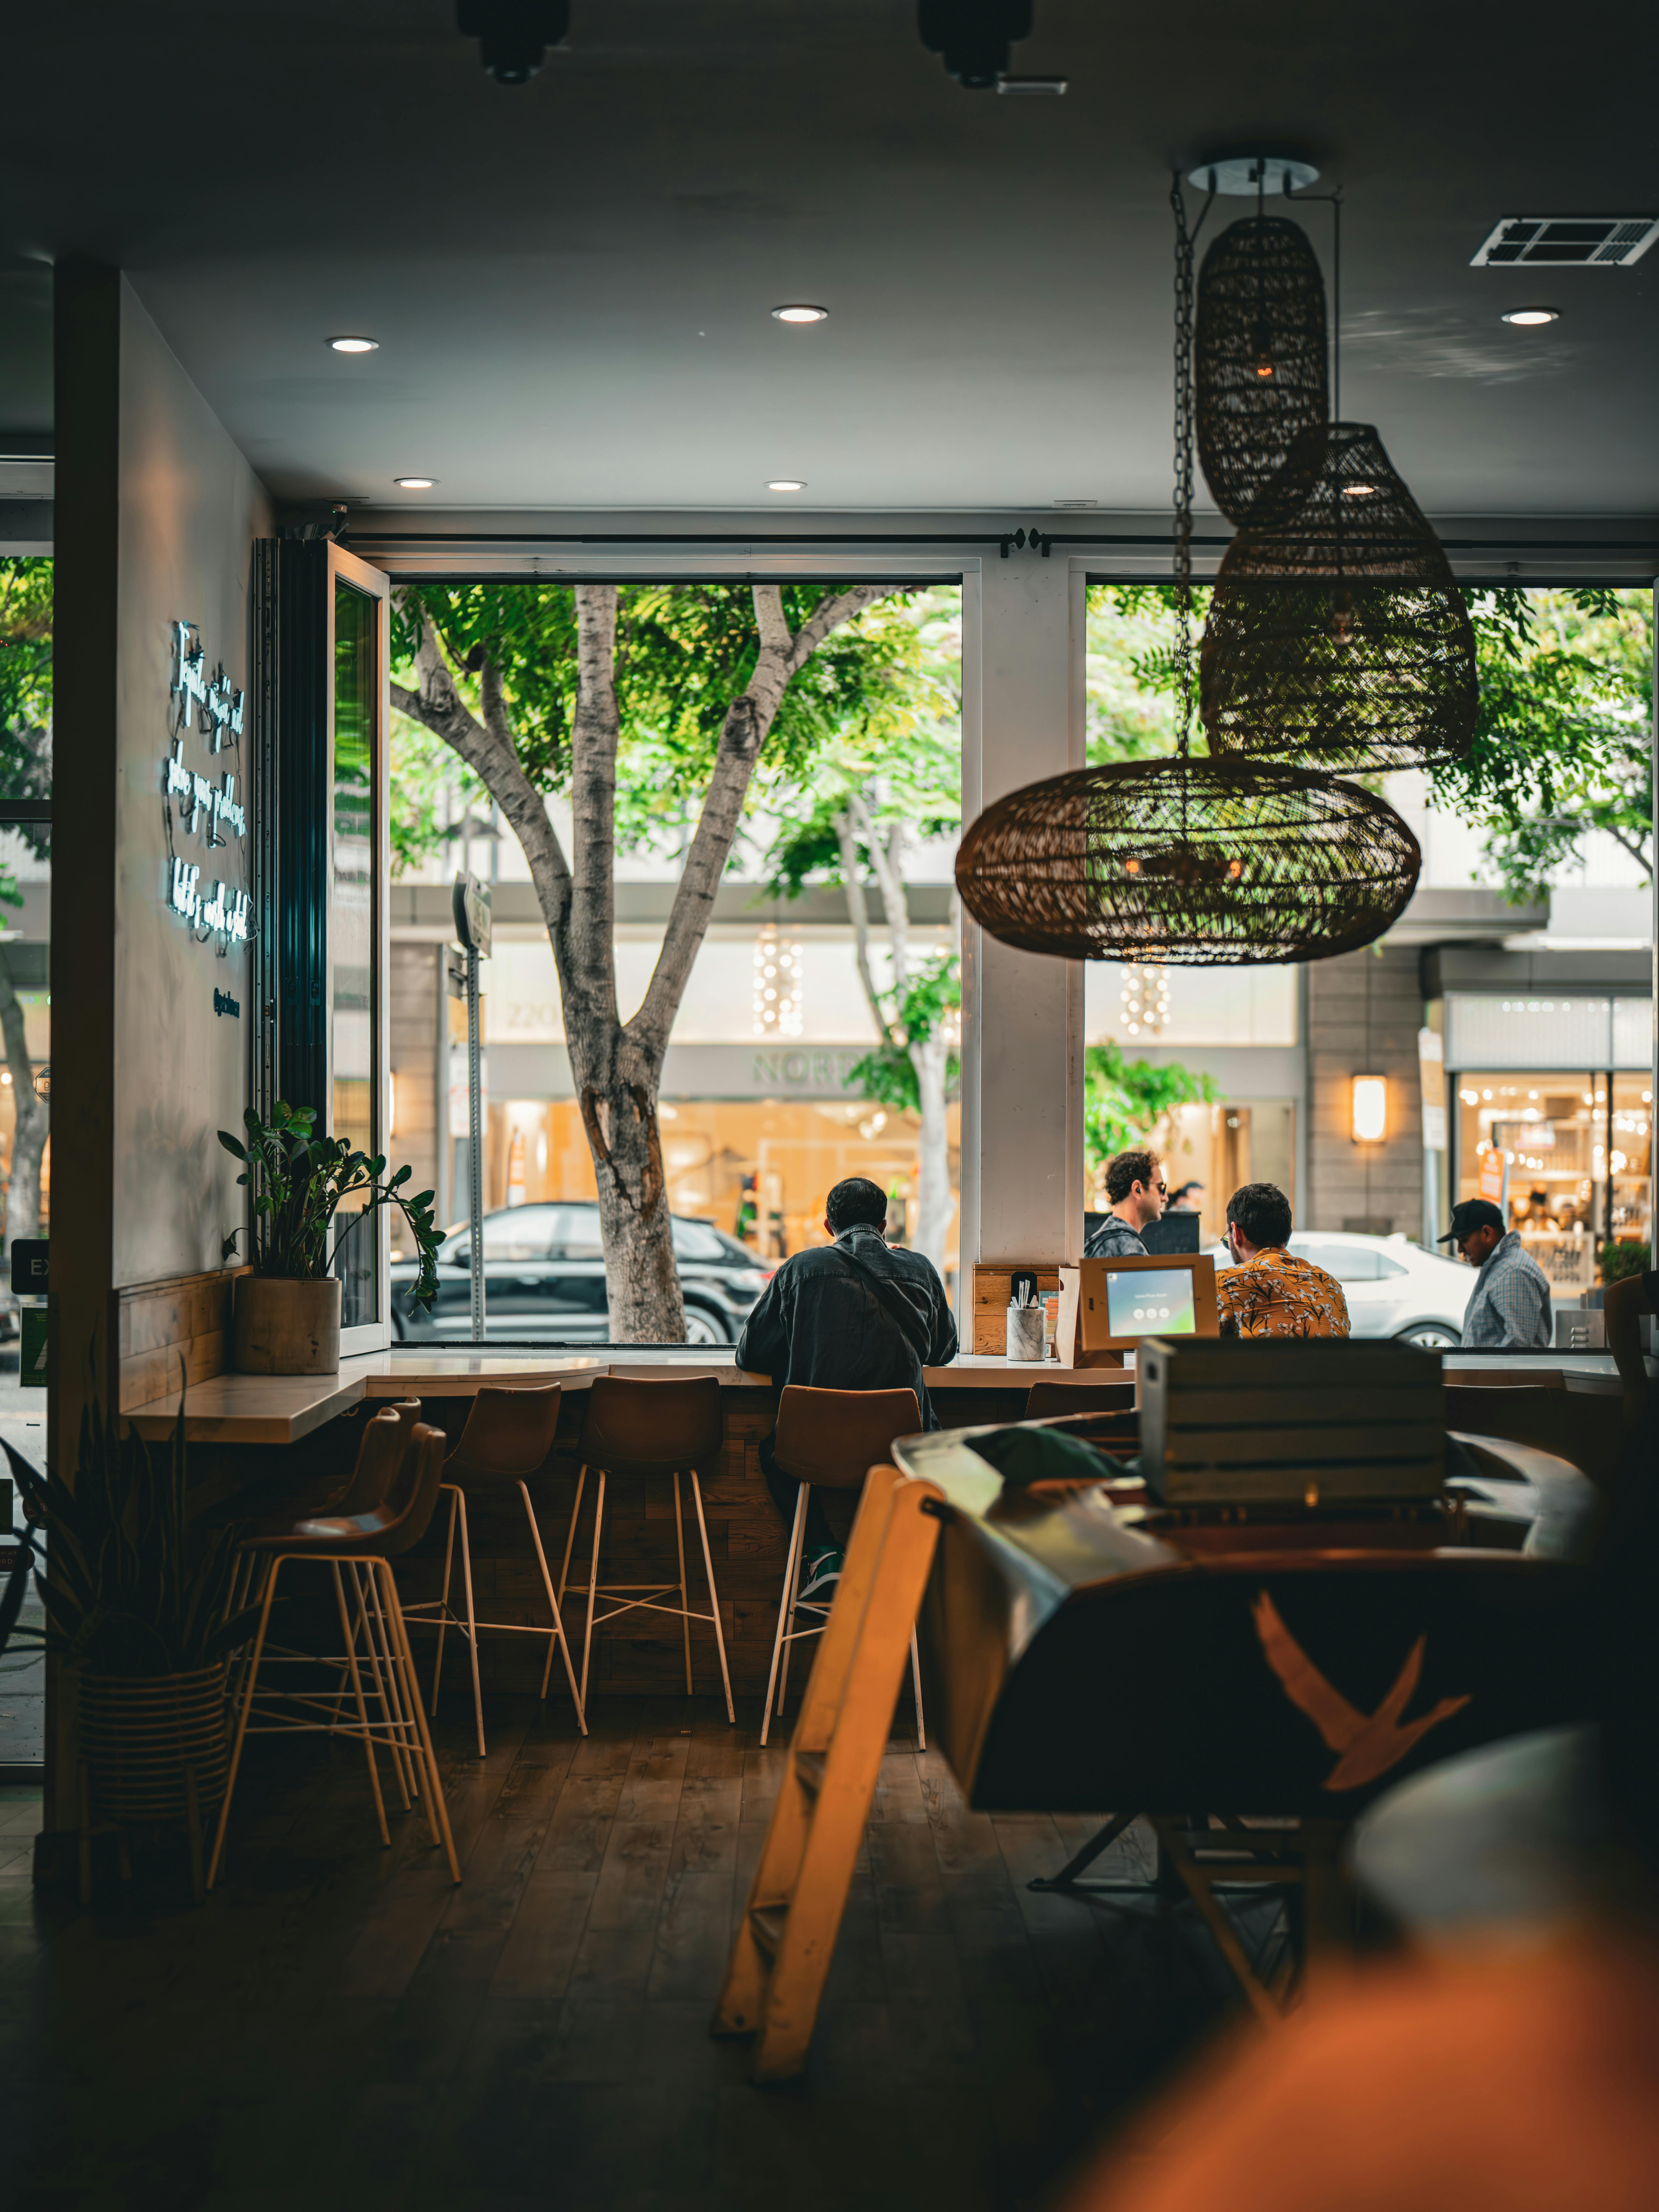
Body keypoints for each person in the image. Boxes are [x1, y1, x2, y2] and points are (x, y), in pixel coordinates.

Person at [735, 1175, 958, 1600]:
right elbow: (944, 1351)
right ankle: (885, 1558)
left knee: (775, 1452)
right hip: (900, 1448)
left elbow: (750, 1355)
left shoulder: (799, 1269)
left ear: (827, 1227)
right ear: (885, 1225)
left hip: (812, 1448)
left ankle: (822, 1553)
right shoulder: (920, 1270)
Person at [1216, 1182, 1349, 1338]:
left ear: (1237, 1233)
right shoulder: (1330, 1285)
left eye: (1227, 1239)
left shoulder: (1224, 1283)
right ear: (1289, 1233)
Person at [1437, 1197, 1552, 1349]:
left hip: (1504, 1374)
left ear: (1487, 1233)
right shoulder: (1500, 1268)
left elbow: (1518, 1349)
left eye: (1464, 1240)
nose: (1460, 1250)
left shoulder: (1513, 1273)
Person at [1084, 1148, 1166, 1259]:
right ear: (1138, 1190)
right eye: (1161, 1188)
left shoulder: (1095, 1244)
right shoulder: (1131, 1251)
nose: (1165, 1198)